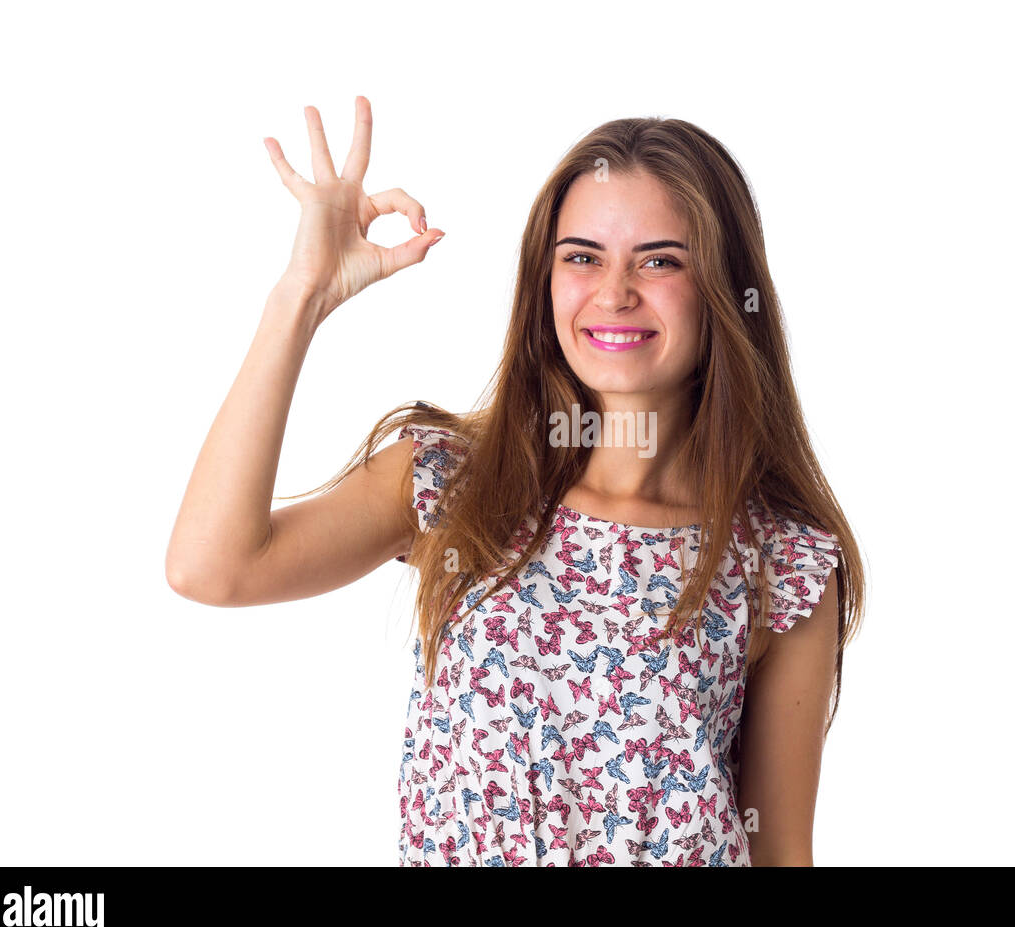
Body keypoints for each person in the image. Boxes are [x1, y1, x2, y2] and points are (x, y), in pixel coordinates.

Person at [166, 96, 866, 867]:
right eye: (582, 256)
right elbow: (212, 567)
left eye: (661, 259)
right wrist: (300, 296)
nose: (614, 291)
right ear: (546, 278)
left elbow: (781, 853)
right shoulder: (453, 485)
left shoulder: (783, 559)